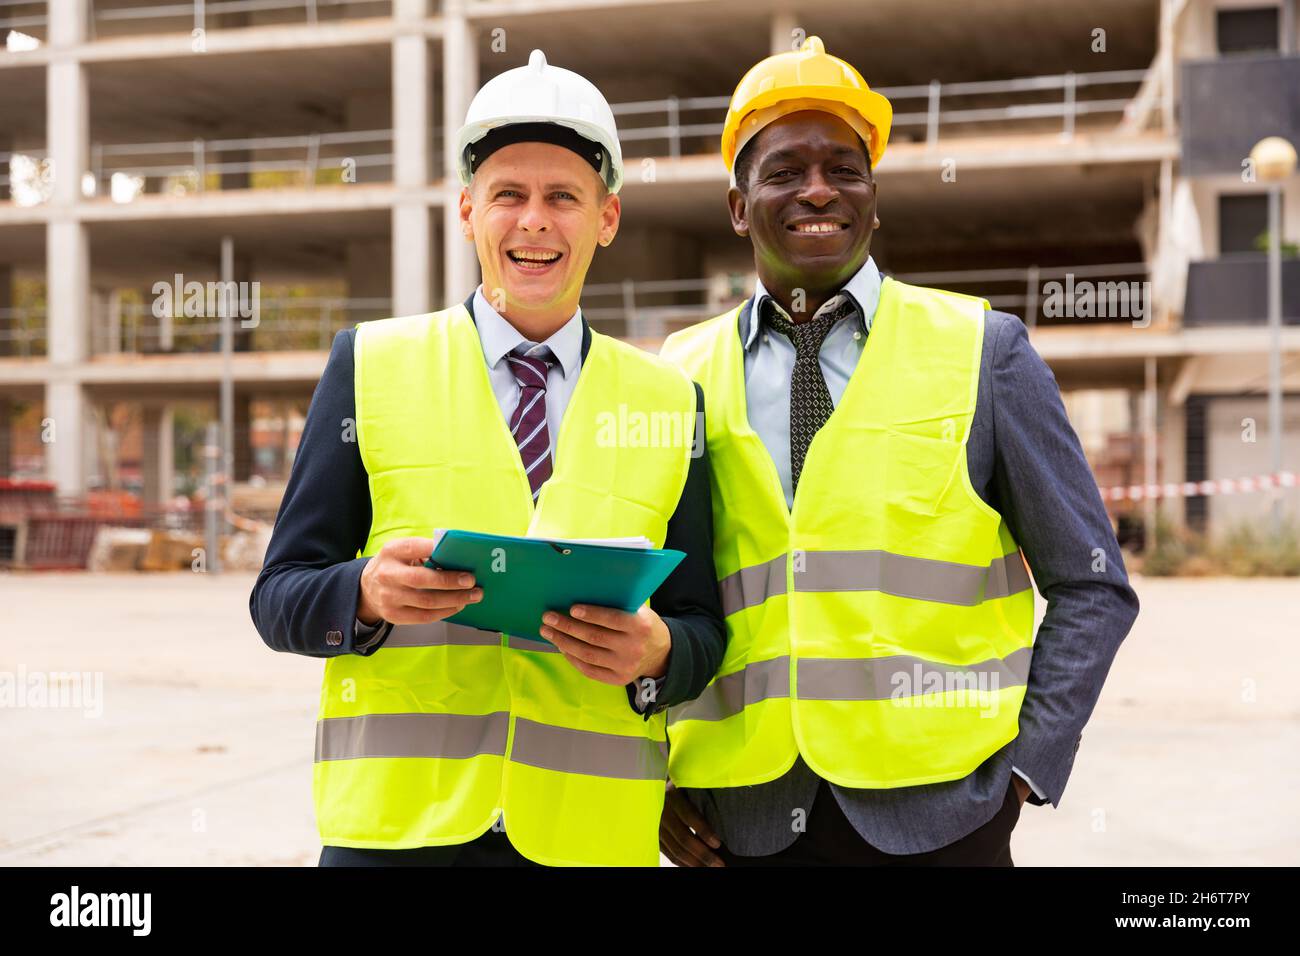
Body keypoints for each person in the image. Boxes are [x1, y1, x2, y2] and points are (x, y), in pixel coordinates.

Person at [658, 37, 1139, 866]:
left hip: (944, 822)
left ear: (873, 199)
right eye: (782, 171)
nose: (818, 190)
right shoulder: (674, 376)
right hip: (744, 823)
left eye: (843, 168)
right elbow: (651, 597)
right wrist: (655, 774)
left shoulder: (984, 350)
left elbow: (1092, 582)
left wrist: (1026, 767)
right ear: (739, 206)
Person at [250, 49, 725, 867]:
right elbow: (279, 597)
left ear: (606, 219)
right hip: (398, 837)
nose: (534, 221)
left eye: (563, 198)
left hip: (589, 840)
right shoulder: (370, 364)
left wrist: (658, 655)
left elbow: (703, 631)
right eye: (508, 195)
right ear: (468, 211)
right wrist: (363, 592)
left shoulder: (667, 401)